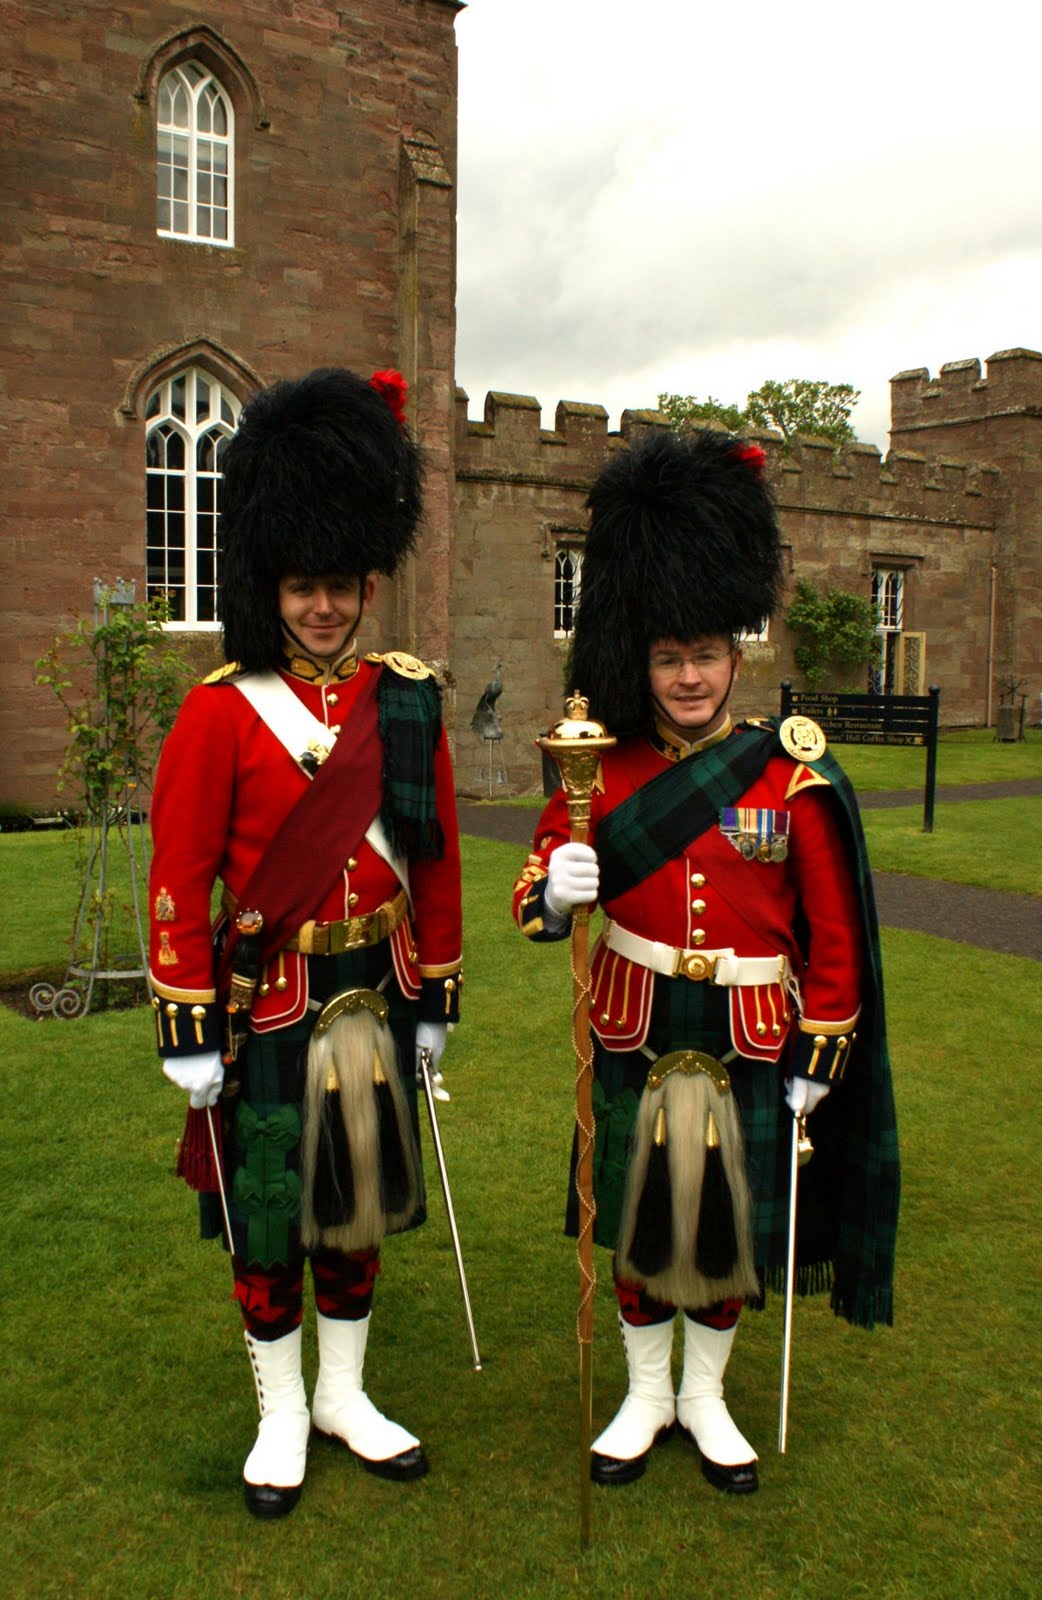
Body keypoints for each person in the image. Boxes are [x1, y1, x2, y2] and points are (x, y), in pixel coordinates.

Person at [513, 428, 899, 1495]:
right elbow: (535, 883)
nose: (687, 677)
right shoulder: (600, 766)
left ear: (739, 658)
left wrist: (824, 1045)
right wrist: (553, 891)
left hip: (749, 1034)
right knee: (641, 1215)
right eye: (668, 658)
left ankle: (705, 1397)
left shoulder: (790, 778)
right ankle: (644, 1395)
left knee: (725, 1224)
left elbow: (832, 932)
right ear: (641, 659)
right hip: (634, 1020)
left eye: (706, 658)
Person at [149, 367, 462, 1518]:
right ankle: (281, 1408)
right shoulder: (220, 711)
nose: (324, 608)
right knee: (273, 1205)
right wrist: (188, 1020)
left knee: (359, 1201)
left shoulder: (406, 700)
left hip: (374, 985)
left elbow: (433, 858)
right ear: (270, 586)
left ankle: (344, 1393)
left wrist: (435, 993)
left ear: (366, 583)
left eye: (340, 586)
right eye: (303, 587)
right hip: (268, 999)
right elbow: (178, 873)